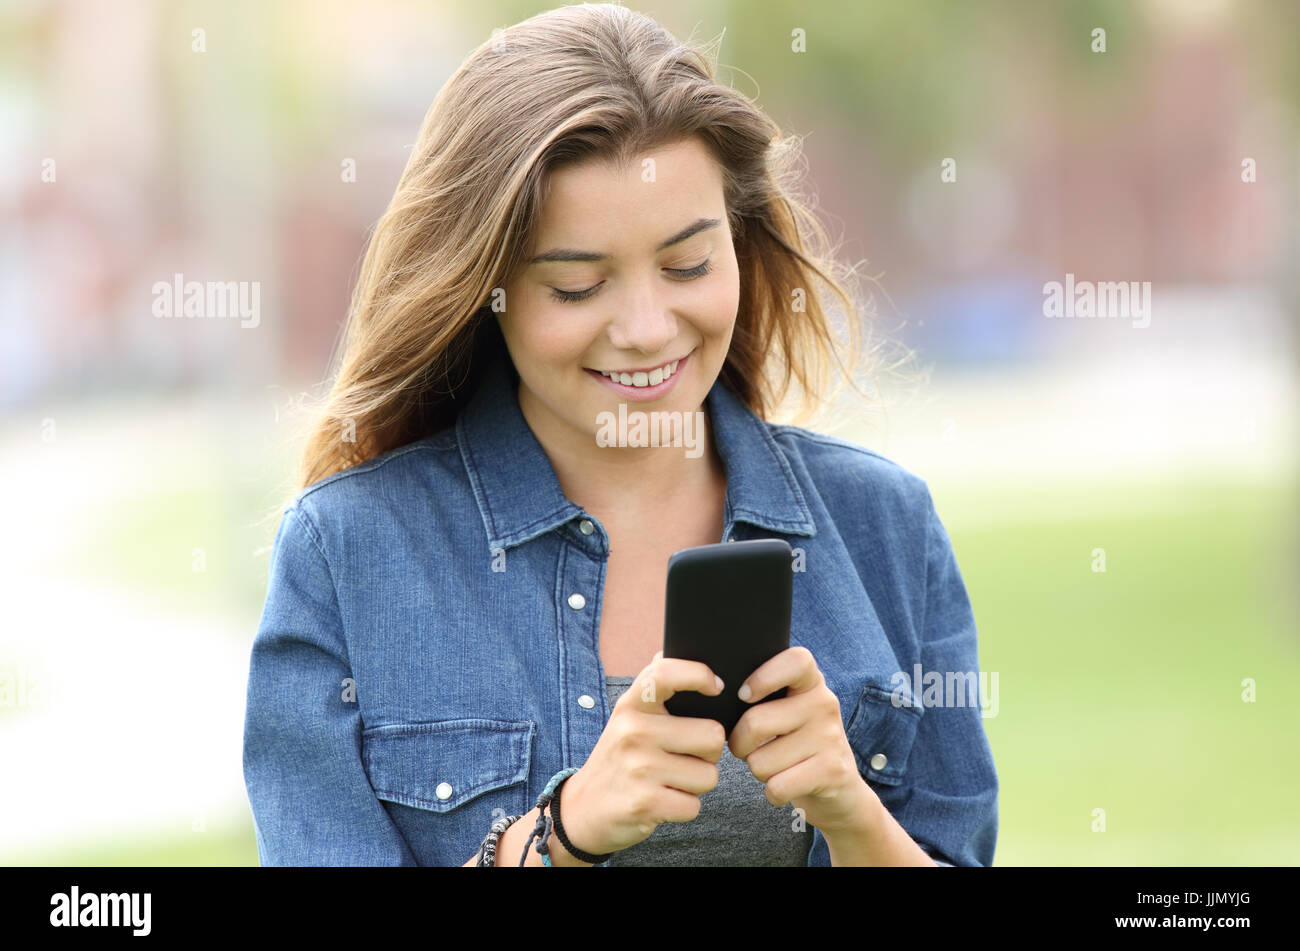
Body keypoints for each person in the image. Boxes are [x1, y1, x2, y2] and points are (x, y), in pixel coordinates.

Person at [242, 2, 997, 867]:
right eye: (576, 287)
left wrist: (851, 812)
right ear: (485, 289)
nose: (646, 327)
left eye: (688, 265)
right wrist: (556, 839)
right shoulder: (349, 554)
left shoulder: (886, 528)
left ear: (741, 249)